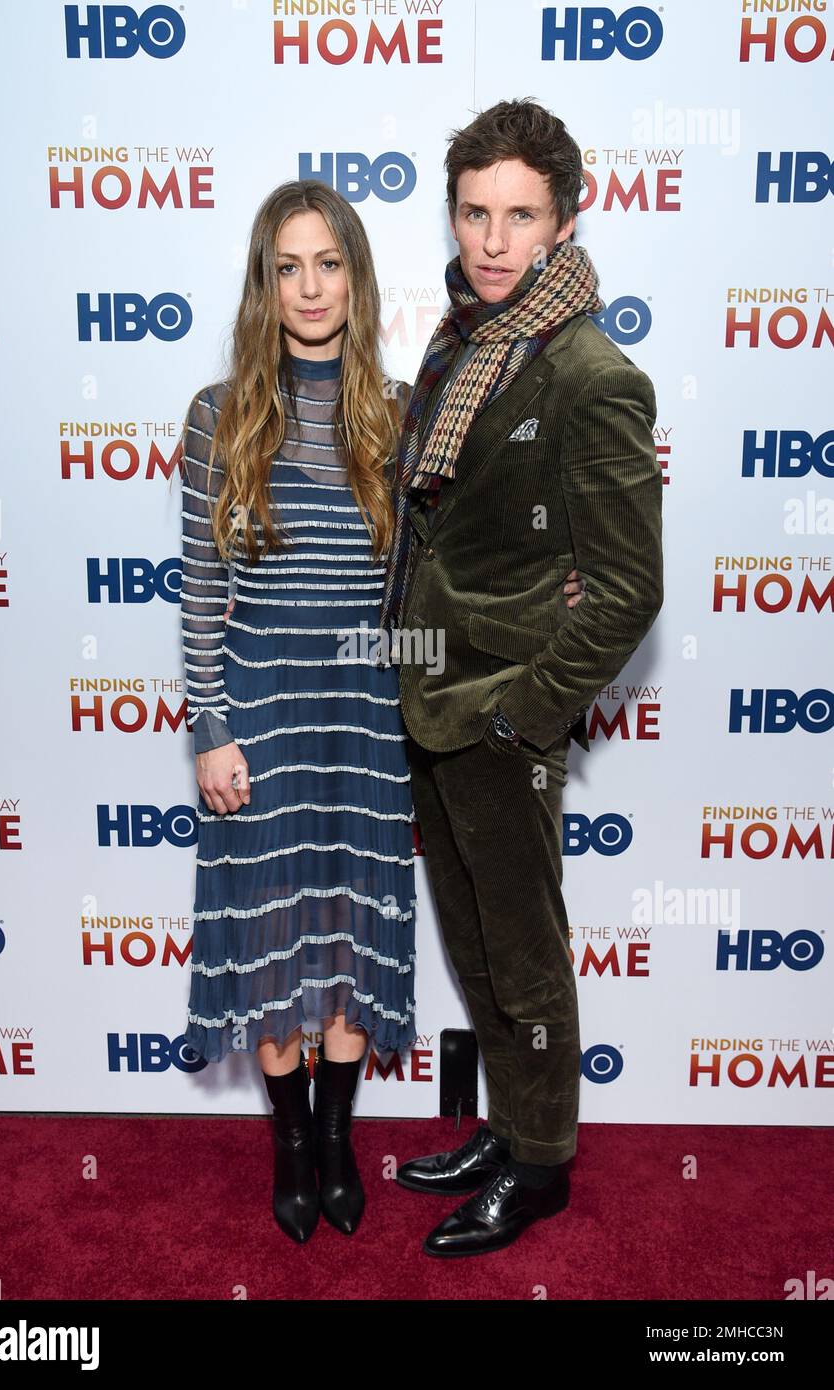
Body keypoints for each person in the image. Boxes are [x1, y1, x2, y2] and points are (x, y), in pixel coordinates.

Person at [177, 178, 588, 1246]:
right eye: (288, 267)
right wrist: (209, 729)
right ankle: (291, 1147)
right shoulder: (218, 416)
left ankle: (339, 1140)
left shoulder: (402, 412)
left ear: (356, 280)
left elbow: (452, 568)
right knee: (274, 945)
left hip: (369, 719)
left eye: (329, 264)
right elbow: (201, 591)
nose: (310, 287)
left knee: (353, 939)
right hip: (260, 717)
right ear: (265, 286)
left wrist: (556, 587)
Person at [379, 99, 665, 1258]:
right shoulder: (458, 343)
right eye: (473, 213)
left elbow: (628, 586)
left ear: (561, 221)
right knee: (478, 945)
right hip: (429, 697)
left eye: (518, 216)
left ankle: (541, 1167)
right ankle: (508, 1125)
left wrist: (522, 712)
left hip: (499, 711)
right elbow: (434, 528)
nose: (492, 239)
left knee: (526, 953)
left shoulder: (591, 374)